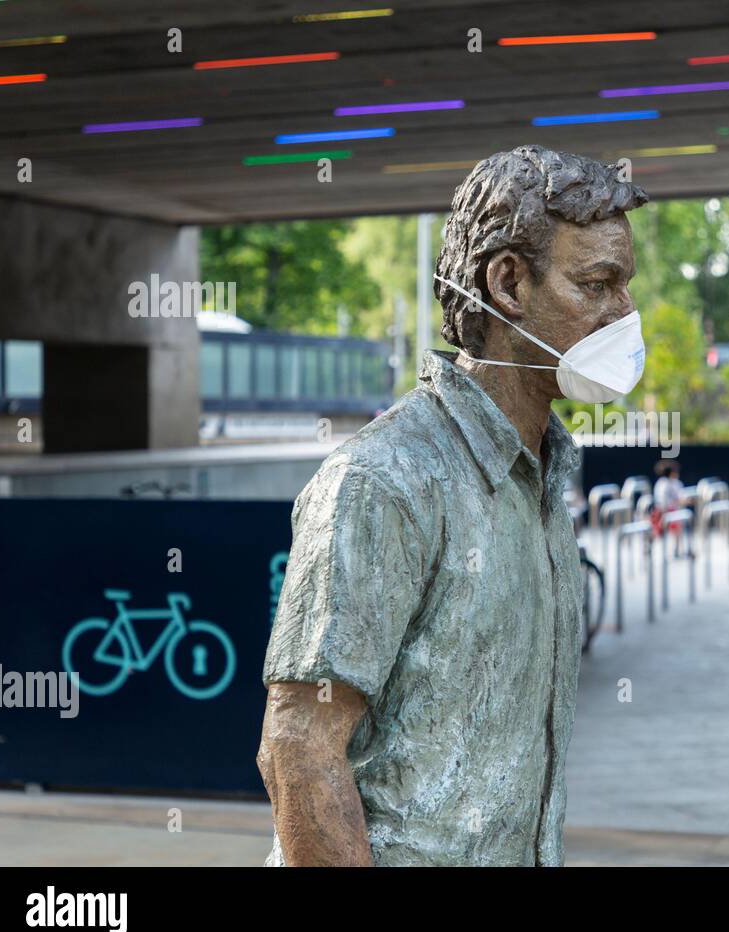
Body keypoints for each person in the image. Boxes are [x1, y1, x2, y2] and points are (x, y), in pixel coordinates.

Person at [255, 145, 649, 866]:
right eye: (597, 283)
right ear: (507, 283)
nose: (623, 312)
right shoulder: (382, 480)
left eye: (624, 286)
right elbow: (298, 750)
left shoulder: (543, 479)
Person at [651, 461, 685, 556]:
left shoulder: (661, 483)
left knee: (675, 531)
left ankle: (676, 550)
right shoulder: (671, 484)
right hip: (667, 511)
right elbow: (676, 499)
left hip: (663, 510)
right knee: (673, 531)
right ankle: (676, 550)